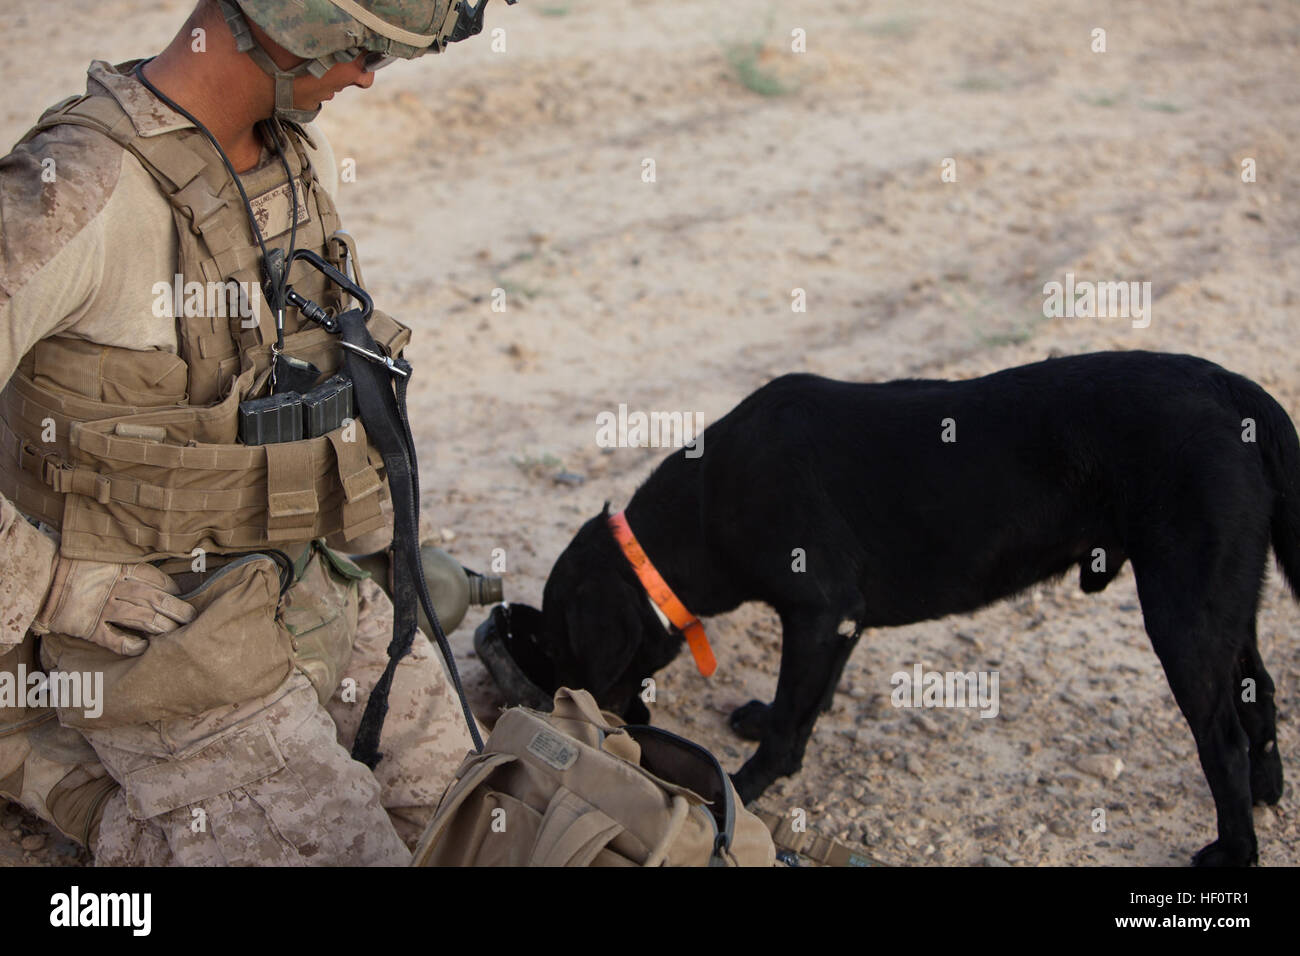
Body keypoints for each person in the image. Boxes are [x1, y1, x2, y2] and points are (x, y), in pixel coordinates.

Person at [0, 0, 496, 865]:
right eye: (360, 49)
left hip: (303, 581)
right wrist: (48, 586)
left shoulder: (296, 158)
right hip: (159, 641)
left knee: (486, 823)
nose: (364, 78)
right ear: (289, 24)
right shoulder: (76, 192)